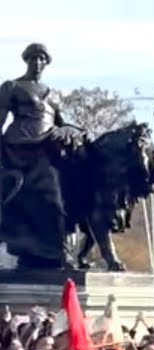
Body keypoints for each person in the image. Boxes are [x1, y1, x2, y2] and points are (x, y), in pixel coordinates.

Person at [0, 44, 94, 269]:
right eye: (33, 58)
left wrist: (75, 132)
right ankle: (62, 253)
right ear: (26, 60)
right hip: (22, 148)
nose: (37, 63)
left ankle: (77, 242)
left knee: (79, 180)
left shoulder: (52, 94)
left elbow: (62, 124)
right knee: (53, 196)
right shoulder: (12, 86)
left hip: (49, 146)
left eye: (42, 59)